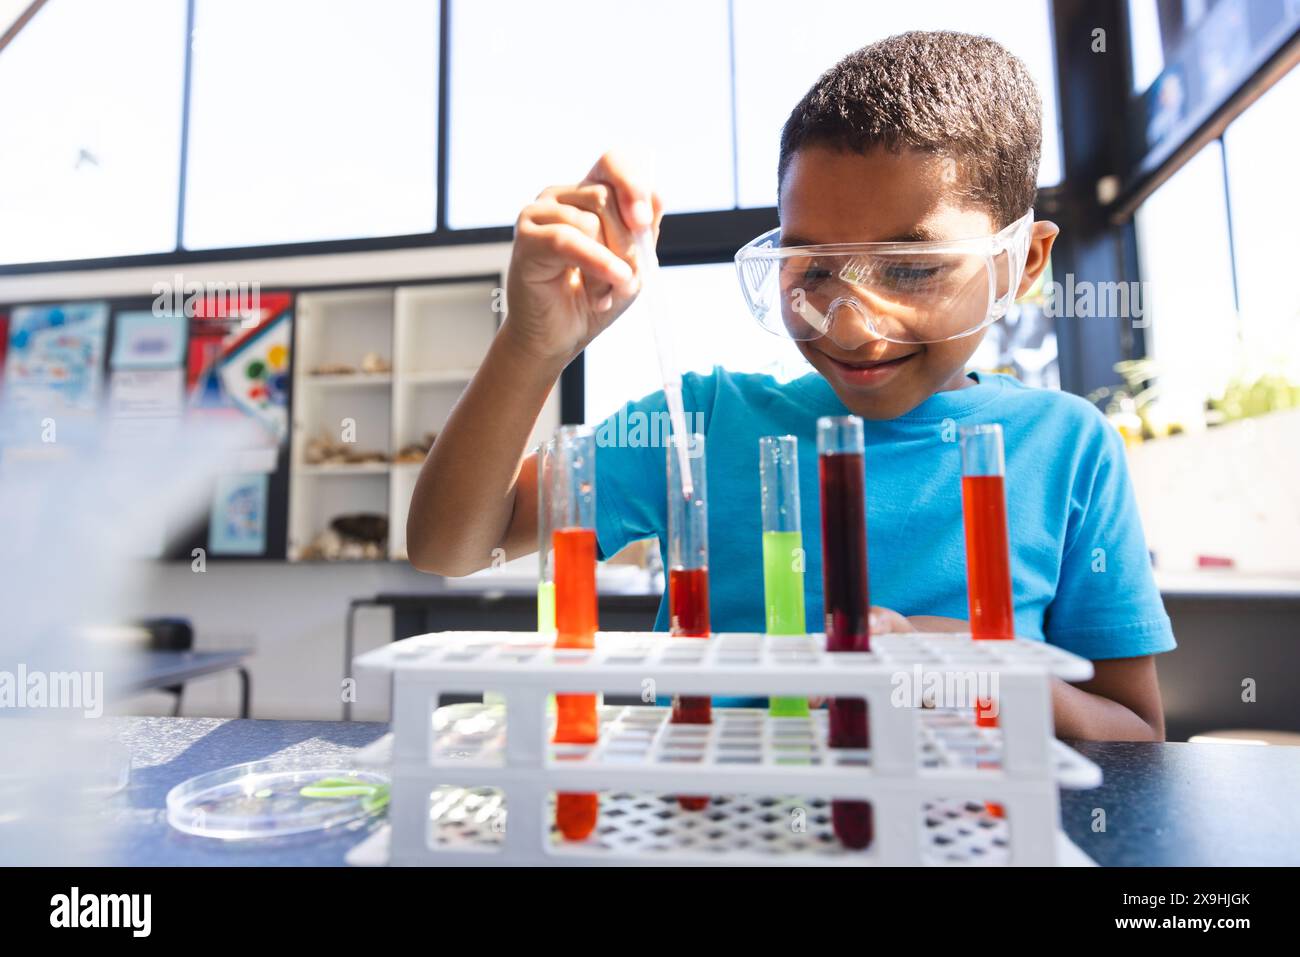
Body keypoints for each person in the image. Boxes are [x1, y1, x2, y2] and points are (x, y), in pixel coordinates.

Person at [407, 31, 1174, 741]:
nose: (849, 326)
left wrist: (981, 676)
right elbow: (451, 542)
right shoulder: (703, 423)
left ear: (1025, 262)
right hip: (718, 831)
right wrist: (530, 345)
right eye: (810, 269)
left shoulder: (1069, 447)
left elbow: (1136, 731)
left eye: (910, 268)